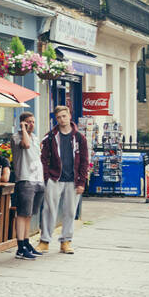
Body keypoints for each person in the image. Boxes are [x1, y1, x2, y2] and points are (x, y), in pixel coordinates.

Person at [39, 104, 89, 254]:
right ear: (56, 119)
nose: (62, 119)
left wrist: (82, 182)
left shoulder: (80, 137)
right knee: (49, 210)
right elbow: (43, 158)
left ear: (69, 116)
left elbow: (85, 161)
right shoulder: (51, 136)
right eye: (59, 117)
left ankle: (66, 241)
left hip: (73, 180)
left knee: (70, 211)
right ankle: (44, 241)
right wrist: (46, 177)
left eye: (64, 116)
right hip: (55, 179)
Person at [11, 111, 45, 259]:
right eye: (28, 122)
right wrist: (23, 130)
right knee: (22, 213)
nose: (32, 124)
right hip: (25, 179)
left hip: (38, 179)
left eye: (33, 122)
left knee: (29, 214)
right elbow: (25, 145)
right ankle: (20, 247)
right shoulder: (16, 137)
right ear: (23, 123)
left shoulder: (35, 138)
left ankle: (26, 242)